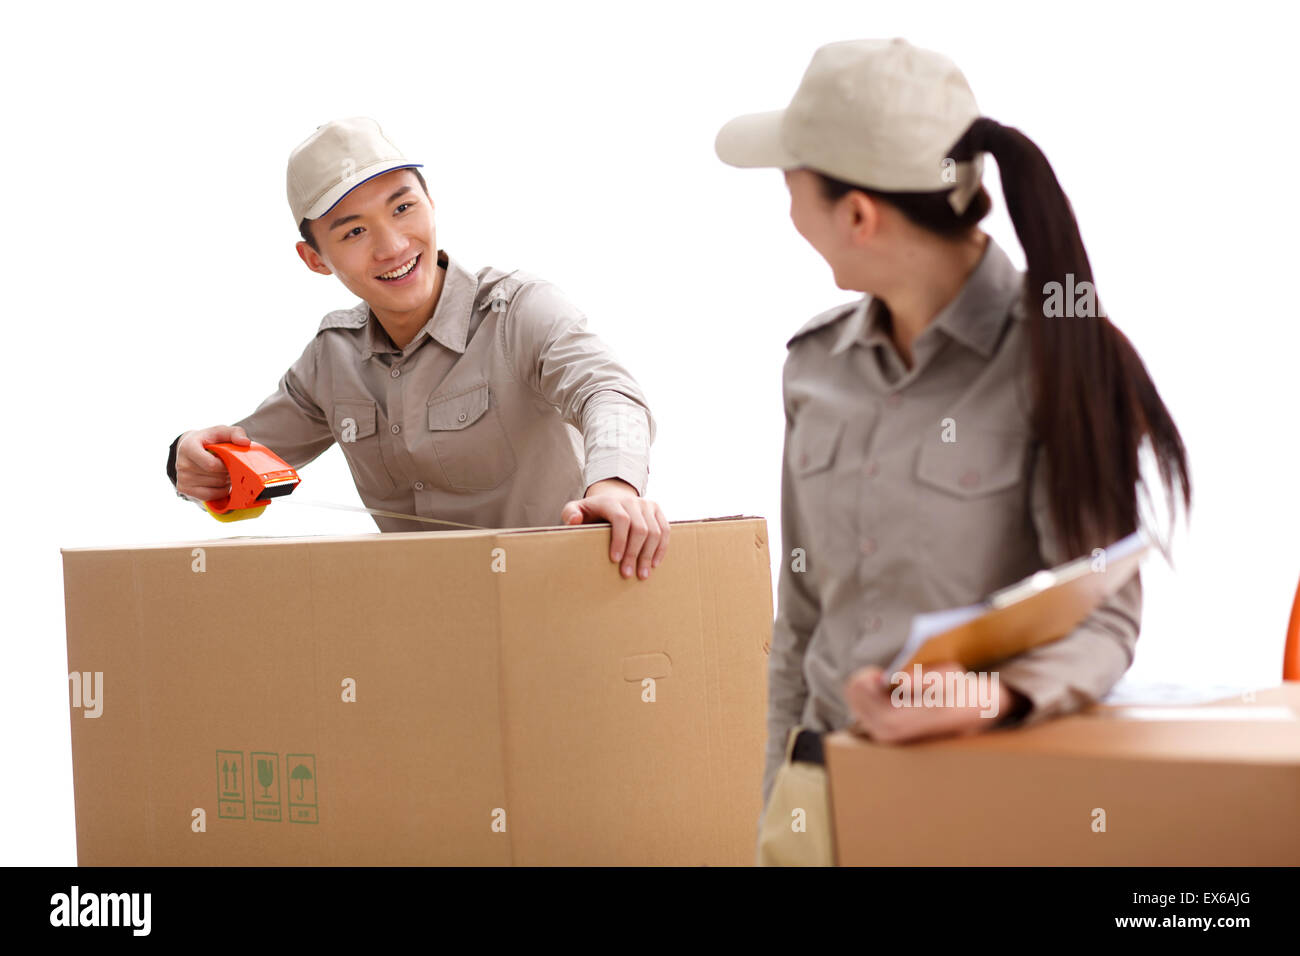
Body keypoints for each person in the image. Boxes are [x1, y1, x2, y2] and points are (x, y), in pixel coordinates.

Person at [714, 38, 1191, 864]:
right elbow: (800, 624)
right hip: (823, 798)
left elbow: (1105, 620)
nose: (786, 206)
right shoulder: (813, 369)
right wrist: (779, 812)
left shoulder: (1062, 362)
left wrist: (984, 697)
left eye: (791, 183)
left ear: (857, 214)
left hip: (984, 810)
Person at [168, 117, 668, 581]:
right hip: (422, 629)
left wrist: (614, 488)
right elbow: (242, 464)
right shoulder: (330, 360)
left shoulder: (518, 312)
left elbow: (608, 391)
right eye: (355, 231)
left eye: (403, 208)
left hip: (559, 599)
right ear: (314, 259)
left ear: (431, 203)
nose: (392, 246)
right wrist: (188, 460)